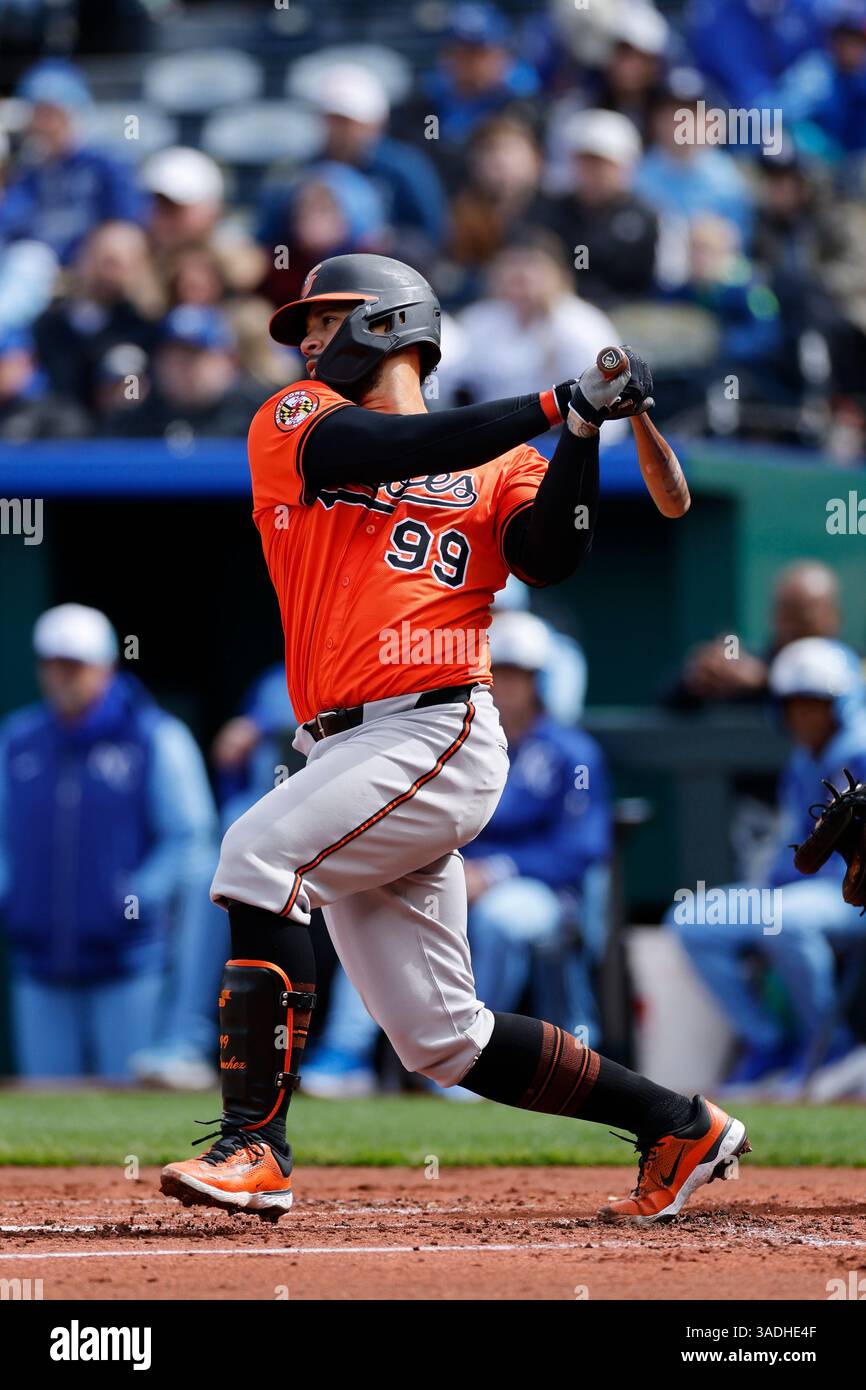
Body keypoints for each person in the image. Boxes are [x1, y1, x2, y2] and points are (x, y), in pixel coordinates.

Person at [159, 251, 749, 1225]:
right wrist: (554, 403)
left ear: (388, 323)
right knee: (442, 1039)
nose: (307, 341)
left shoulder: (505, 454)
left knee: (255, 853)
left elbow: (549, 555)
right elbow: (383, 453)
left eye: (324, 320)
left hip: (436, 724)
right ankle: (675, 1124)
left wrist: (579, 435)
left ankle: (255, 1147)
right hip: (341, 743)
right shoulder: (295, 419)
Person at [0, 605, 220, 1081]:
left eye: (74, 667)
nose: (61, 678)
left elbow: (189, 839)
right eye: (52, 665)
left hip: (128, 961)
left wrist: (136, 896)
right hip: (39, 960)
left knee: (130, 1107)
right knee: (47, 1112)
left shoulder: (154, 736)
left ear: (105, 667)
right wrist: (10, 894)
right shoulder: (19, 739)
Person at [669, 638, 866, 1097]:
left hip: (852, 898)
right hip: (808, 893)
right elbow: (793, 847)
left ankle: (828, 1047)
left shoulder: (860, 747)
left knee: (785, 920)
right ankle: (768, 1044)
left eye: (815, 705)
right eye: (794, 705)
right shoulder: (804, 760)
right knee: (693, 919)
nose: (804, 716)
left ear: (840, 705)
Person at [463, 610, 612, 1041]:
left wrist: (495, 872)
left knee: (500, 918)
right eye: (496, 674)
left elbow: (580, 851)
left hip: (546, 891)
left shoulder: (572, 752)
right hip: (463, 877)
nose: (503, 687)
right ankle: (356, 1055)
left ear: (539, 682)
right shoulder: (465, 742)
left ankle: (474, 1054)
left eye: (517, 676)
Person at [442, 231, 628, 447]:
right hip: (493, 447)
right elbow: (449, 390)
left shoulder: (581, 324)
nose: (520, 275)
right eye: (511, 265)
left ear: (558, 273)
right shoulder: (479, 321)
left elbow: (608, 409)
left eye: (532, 265)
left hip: (565, 447)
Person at [0, 60, 144, 265]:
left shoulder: (106, 163)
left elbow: (128, 222)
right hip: (41, 270)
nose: (41, 125)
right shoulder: (30, 171)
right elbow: (9, 220)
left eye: (49, 114)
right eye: (36, 114)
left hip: (92, 270)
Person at [303, 61, 448, 262]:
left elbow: (433, 234)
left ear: (374, 124)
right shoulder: (307, 171)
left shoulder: (404, 167)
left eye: (347, 122)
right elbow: (273, 236)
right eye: (332, 121)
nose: (339, 131)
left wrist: (389, 241)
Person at [665, 559, 844, 709]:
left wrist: (764, 681)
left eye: (803, 612)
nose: (791, 623)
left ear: (832, 616)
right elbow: (668, 699)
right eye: (784, 611)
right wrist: (700, 677)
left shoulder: (851, 667)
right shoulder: (753, 662)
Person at [33, 220, 162, 415]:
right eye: (98, 258)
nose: (106, 272)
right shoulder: (49, 325)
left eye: (116, 263)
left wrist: (128, 398)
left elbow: (134, 393)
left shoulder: (143, 330)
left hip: (119, 434)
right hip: (55, 431)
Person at [534, 108, 659, 308]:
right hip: (560, 310)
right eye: (586, 163)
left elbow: (649, 280)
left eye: (602, 164)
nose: (593, 173)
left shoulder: (645, 217)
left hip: (631, 314)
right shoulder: (550, 211)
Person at [105, 304, 261, 439]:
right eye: (175, 357)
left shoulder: (254, 418)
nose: (184, 369)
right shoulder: (132, 424)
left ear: (228, 361)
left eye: (196, 356)